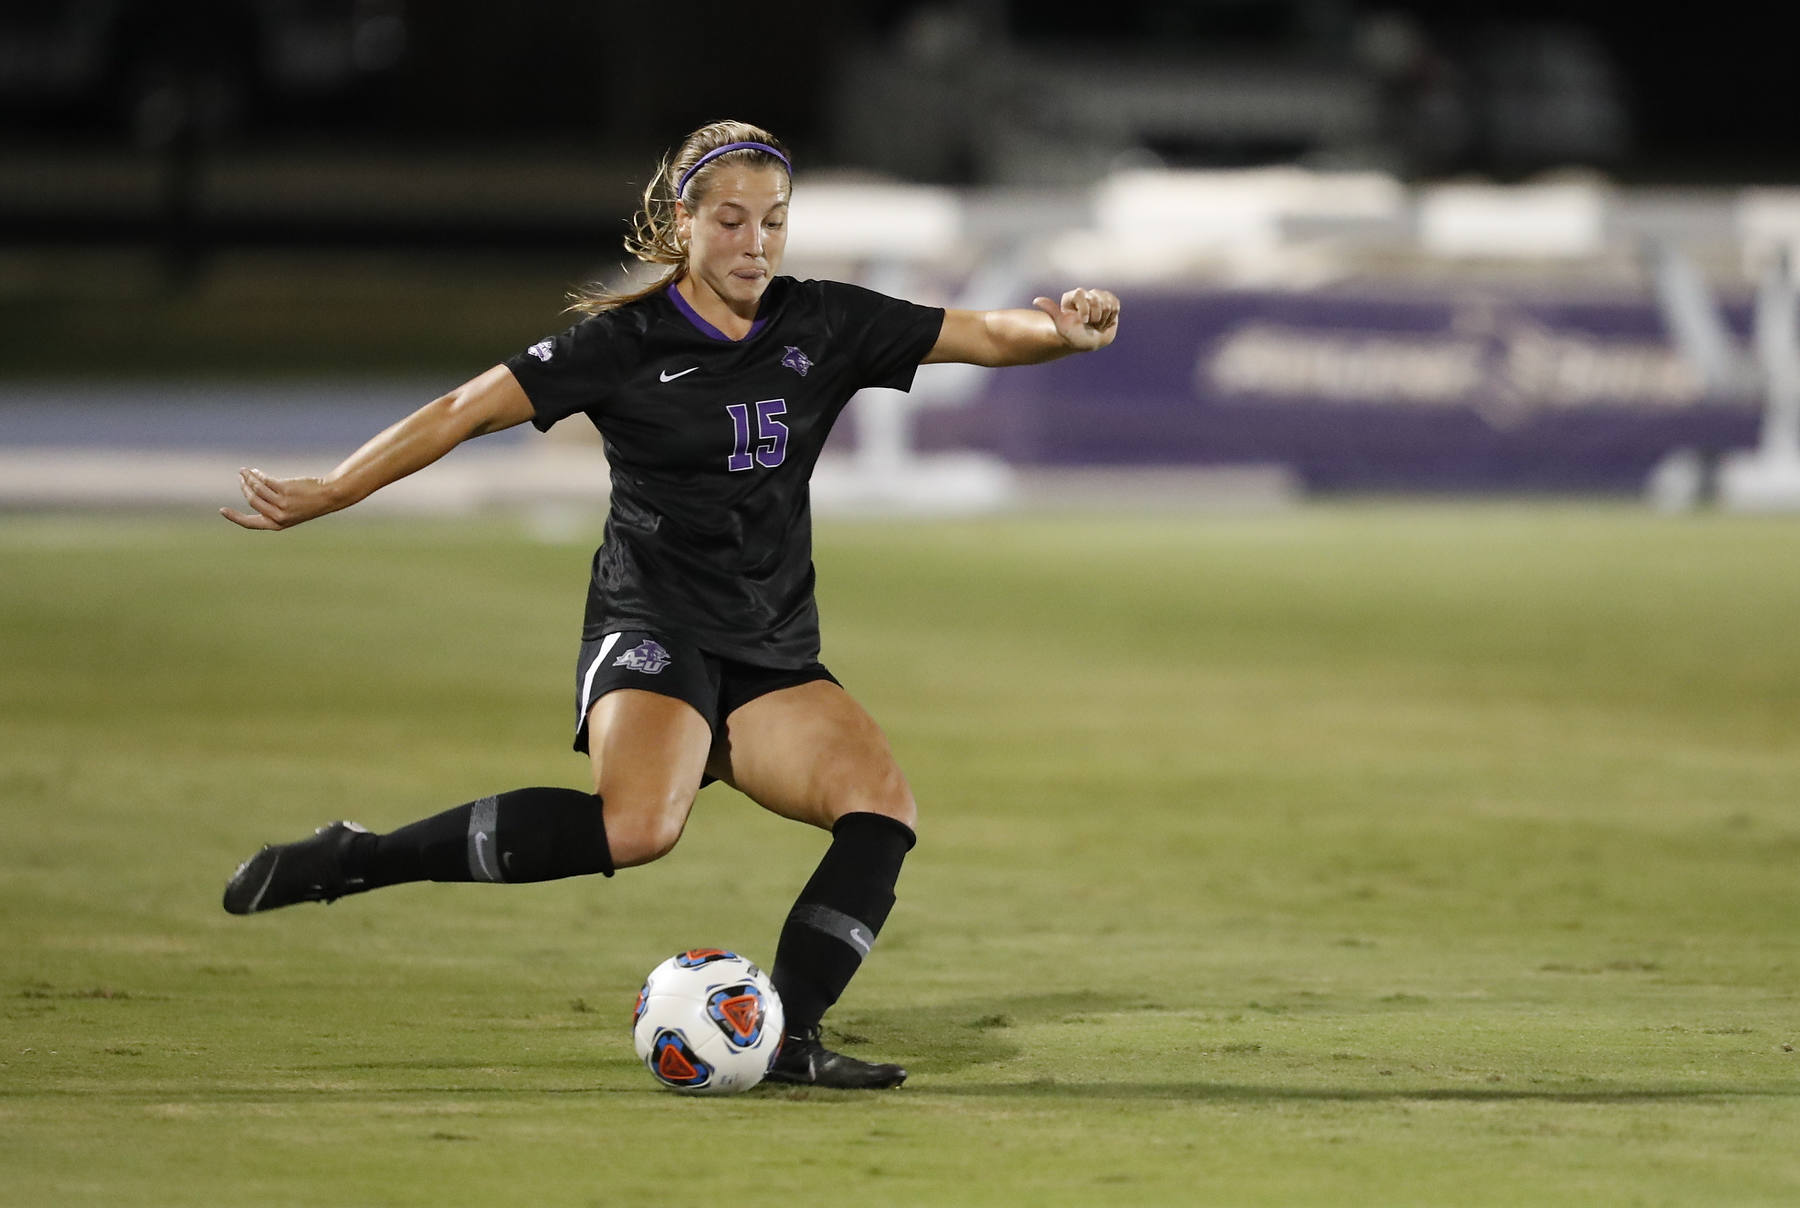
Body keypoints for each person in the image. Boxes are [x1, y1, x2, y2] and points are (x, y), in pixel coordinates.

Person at [220, 119, 1120, 1090]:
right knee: (642, 825)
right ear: (681, 221)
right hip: (652, 626)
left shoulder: (820, 321)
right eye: (730, 220)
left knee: (881, 809)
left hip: (770, 642)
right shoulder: (624, 340)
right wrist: (336, 488)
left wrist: (1062, 334)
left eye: (773, 221)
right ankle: (362, 856)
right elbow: (463, 410)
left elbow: (983, 332)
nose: (755, 242)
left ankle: (788, 1036)